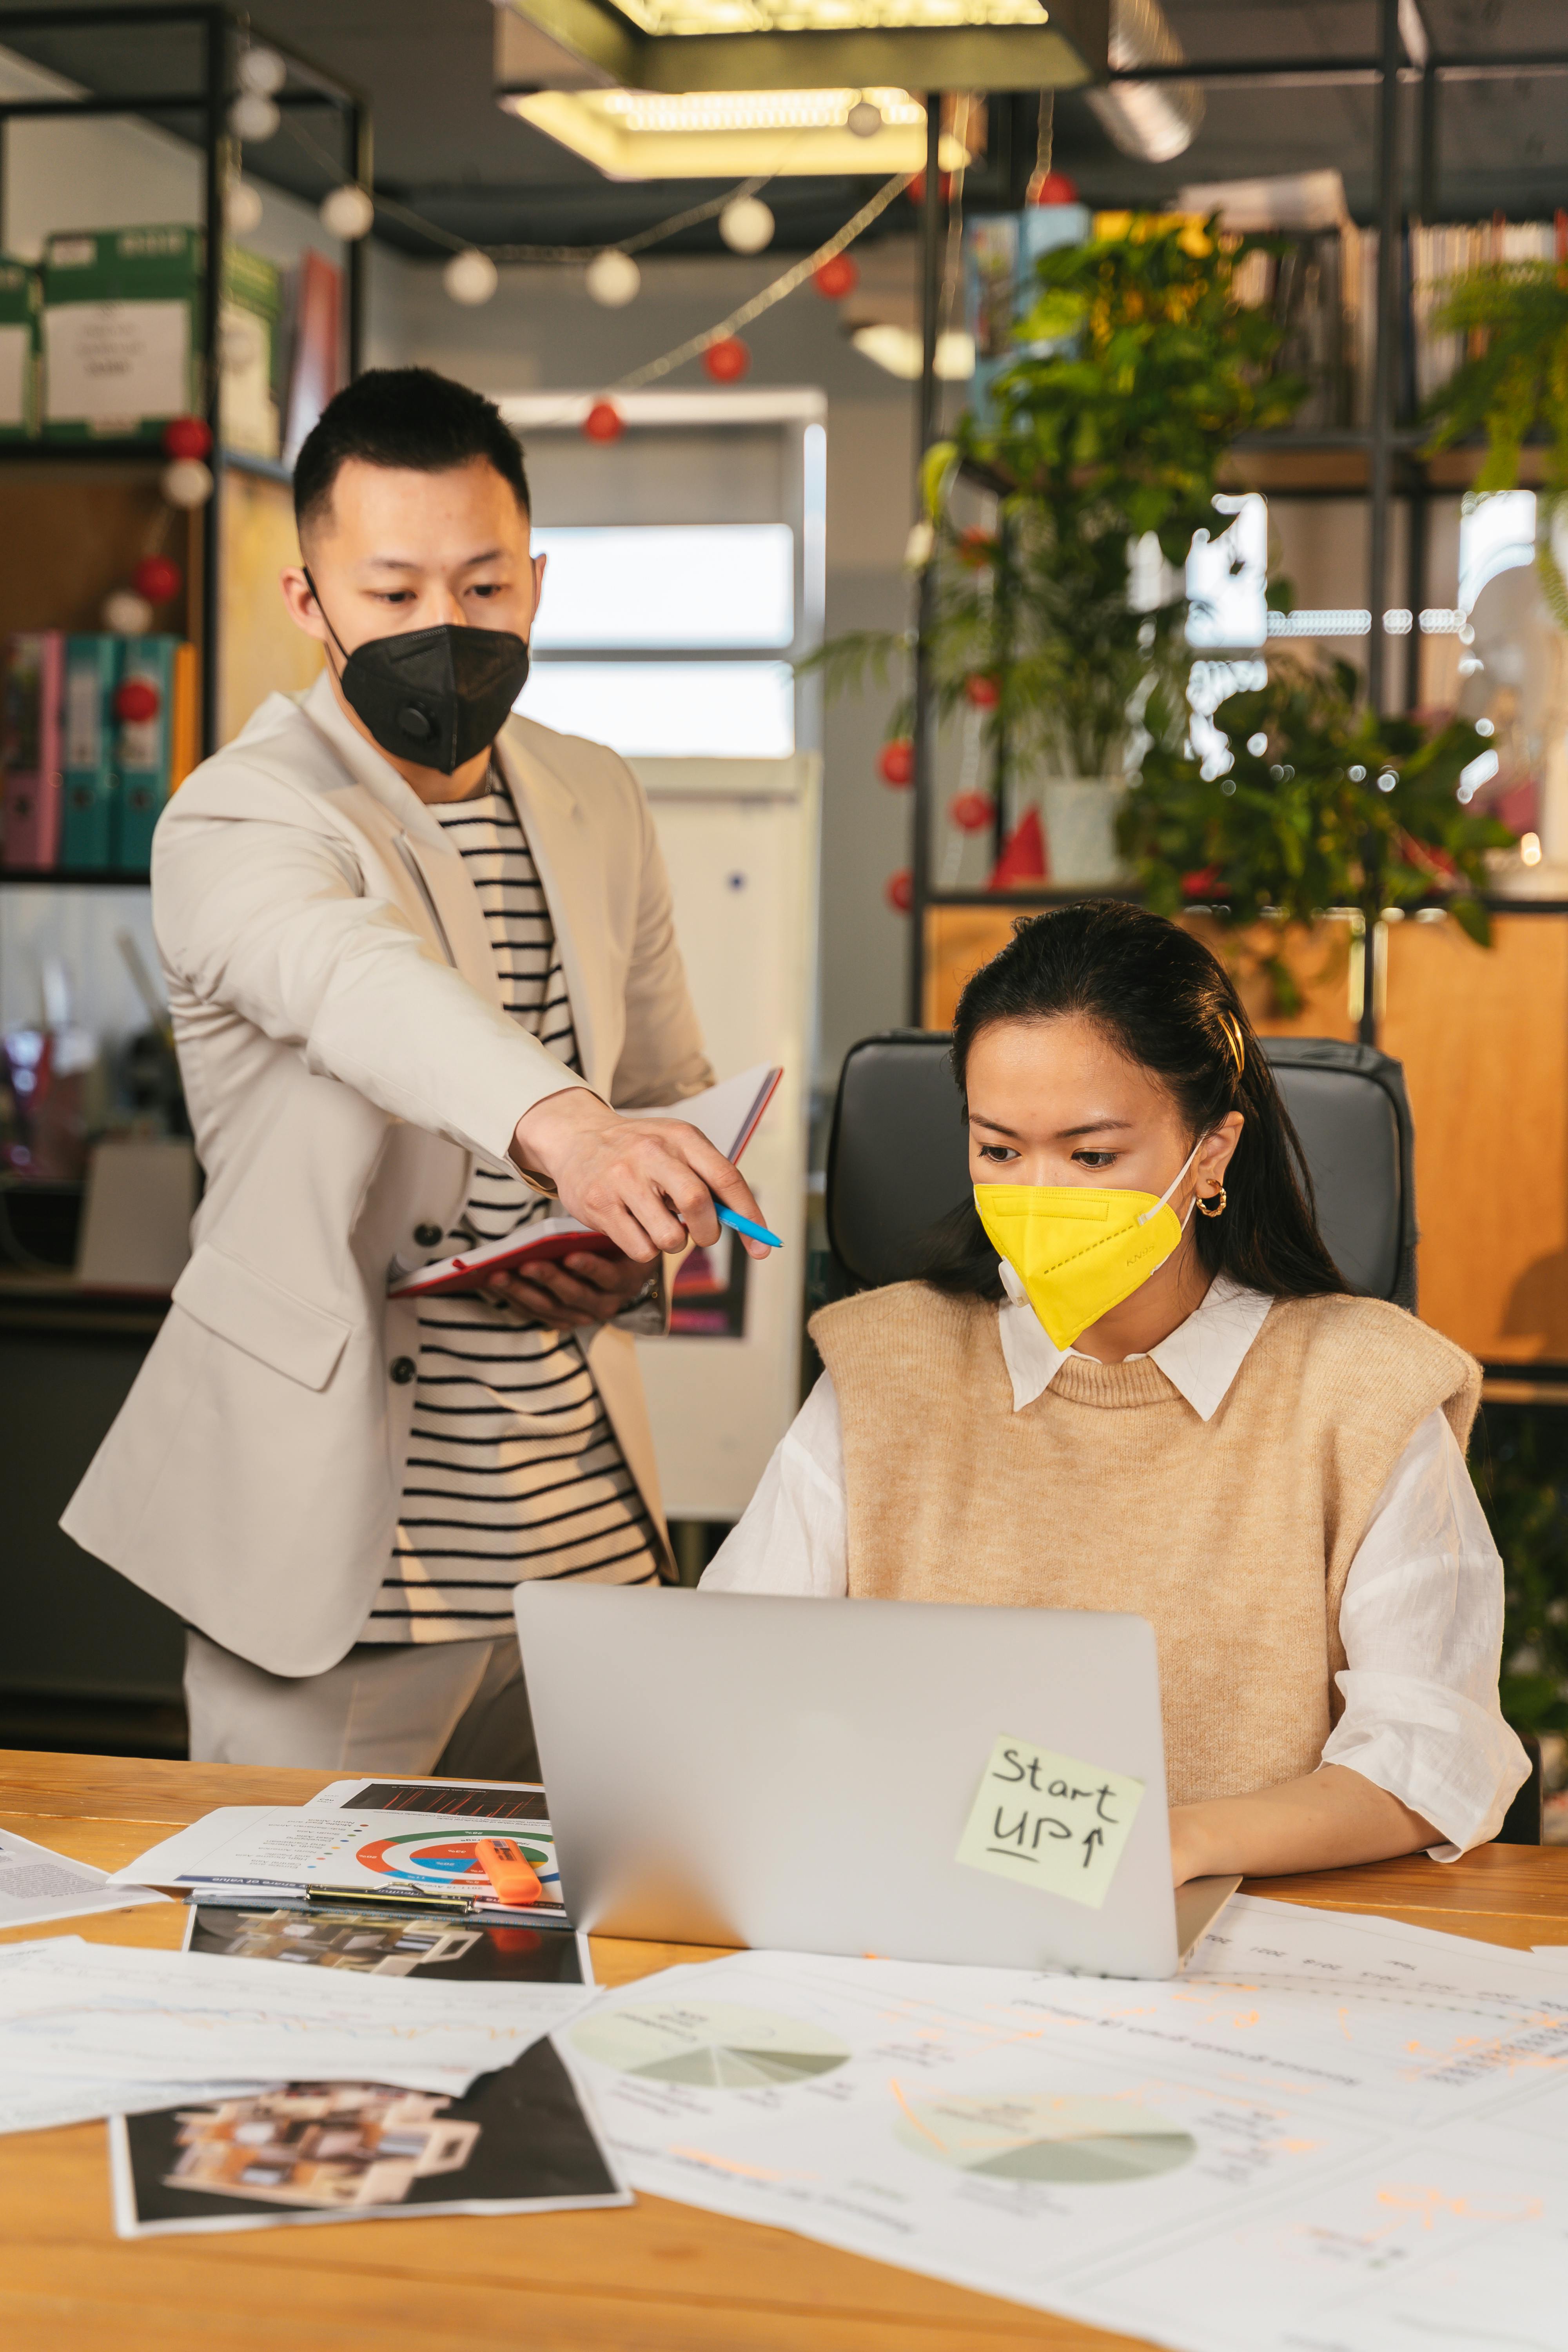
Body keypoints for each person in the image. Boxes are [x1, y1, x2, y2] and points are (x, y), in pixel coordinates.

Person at [64, 365, 770, 1775]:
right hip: (337, 1560)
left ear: (537, 583)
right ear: (309, 599)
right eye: (391, 592)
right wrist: (569, 1132)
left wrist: (635, 1252)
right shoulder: (237, 816)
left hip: (584, 1541)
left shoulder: (596, 793)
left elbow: (663, 1086)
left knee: (610, 1906)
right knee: (294, 1911)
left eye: (485, 585)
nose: (444, 627)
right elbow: (353, 984)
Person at [703, 901, 1528, 1882]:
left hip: (1241, 1929)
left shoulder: (1362, 1389)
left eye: (1090, 1156)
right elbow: (727, 1687)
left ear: (1210, 1152)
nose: (1037, 1195)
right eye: (998, 1151)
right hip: (919, 1917)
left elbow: (1432, 1753)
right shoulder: (885, 1365)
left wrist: (1172, 1847)